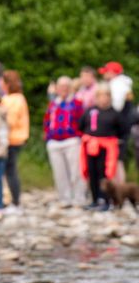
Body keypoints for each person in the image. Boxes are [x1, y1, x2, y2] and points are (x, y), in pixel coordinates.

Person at [43, 76, 86, 208]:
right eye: (61, 86)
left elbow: (82, 120)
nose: (63, 89)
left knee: (76, 171)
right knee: (59, 172)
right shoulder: (53, 103)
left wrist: (79, 135)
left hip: (71, 140)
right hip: (54, 141)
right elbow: (47, 121)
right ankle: (64, 198)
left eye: (66, 86)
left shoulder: (76, 103)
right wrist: (48, 135)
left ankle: (79, 197)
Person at [80, 84, 124, 211]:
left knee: (104, 174)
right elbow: (81, 125)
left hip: (107, 148)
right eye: (100, 96)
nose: (102, 99)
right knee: (92, 172)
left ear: (109, 97)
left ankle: (106, 200)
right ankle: (94, 199)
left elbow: (122, 130)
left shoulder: (114, 113)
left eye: (105, 96)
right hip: (91, 146)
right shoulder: (90, 111)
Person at [0, 70, 29, 213]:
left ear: (7, 83)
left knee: (10, 171)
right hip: (8, 139)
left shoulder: (16, 99)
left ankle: (15, 202)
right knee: (6, 171)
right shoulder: (8, 98)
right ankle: (8, 199)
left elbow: (10, 120)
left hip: (13, 139)